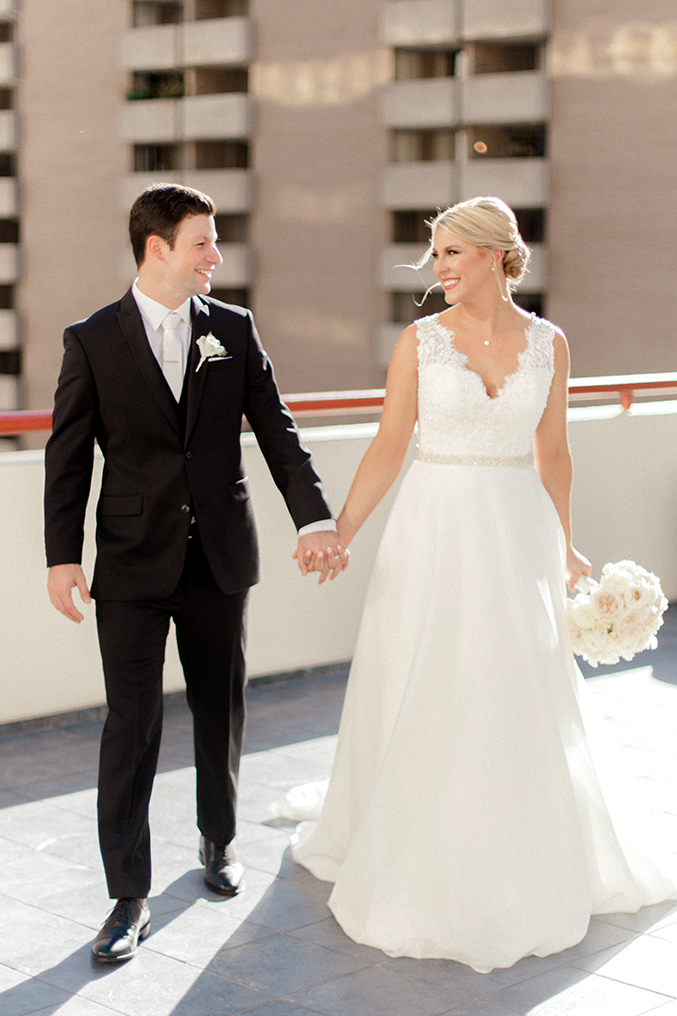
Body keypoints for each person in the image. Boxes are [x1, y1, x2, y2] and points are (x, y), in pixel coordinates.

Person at [292, 196, 677, 972]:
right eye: (434, 256)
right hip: (432, 529)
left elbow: (554, 454)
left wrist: (566, 547)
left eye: (451, 255)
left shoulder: (549, 343)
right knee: (429, 675)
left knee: (511, 682)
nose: (438, 270)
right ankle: (410, 836)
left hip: (516, 530)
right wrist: (340, 530)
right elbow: (387, 445)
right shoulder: (419, 343)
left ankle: (518, 843)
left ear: (498, 256)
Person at [44, 183, 348, 963]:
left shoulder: (234, 331)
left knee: (219, 709)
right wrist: (62, 558)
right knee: (131, 724)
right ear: (158, 249)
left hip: (219, 558)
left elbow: (278, 432)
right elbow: (68, 456)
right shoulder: (92, 340)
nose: (216, 255)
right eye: (203, 242)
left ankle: (219, 840)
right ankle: (127, 898)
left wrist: (314, 518)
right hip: (132, 565)